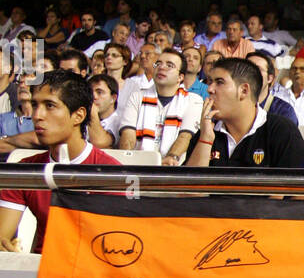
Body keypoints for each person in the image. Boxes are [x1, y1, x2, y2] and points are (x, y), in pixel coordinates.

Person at [0, 72, 121, 253]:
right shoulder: (25, 172)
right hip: (36, 272)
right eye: (35, 105)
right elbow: (2, 238)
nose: (37, 116)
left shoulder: (111, 174)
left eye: (49, 105)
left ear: (78, 115)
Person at [185, 58, 304, 169]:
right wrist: (205, 140)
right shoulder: (205, 133)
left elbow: (290, 190)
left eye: (219, 82)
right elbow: (187, 192)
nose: (209, 89)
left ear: (244, 90)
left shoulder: (283, 131)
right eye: (210, 82)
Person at [117, 49, 202, 164]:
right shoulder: (137, 97)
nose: (161, 67)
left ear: (180, 77)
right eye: (158, 63)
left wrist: (171, 158)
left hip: (173, 169)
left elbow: (185, 136)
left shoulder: (193, 100)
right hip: (138, 166)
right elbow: (128, 133)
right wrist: (128, 161)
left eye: (169, 65)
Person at [248, 52, 297, 126]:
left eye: (258, 69)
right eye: (246, 68)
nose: (250, 73)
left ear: (269, 78)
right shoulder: (231, 106)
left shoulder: (283, 111)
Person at [88, 74, 122, 148]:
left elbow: (100, 142)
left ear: (113, 98)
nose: (94, 97)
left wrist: (92, 112)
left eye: (99, 92)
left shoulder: (118, 121)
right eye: (90, 92)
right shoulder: (85, 119)